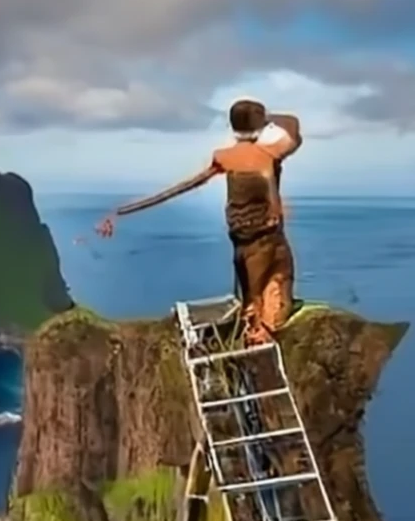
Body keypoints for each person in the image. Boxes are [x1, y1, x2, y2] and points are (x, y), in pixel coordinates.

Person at [96, 99, 302, 344]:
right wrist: (270, 118)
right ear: (260, 124)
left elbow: (181, 187)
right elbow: (294, 130)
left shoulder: (224, 157)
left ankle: (253, 329)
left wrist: (122, 210)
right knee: (279, 283)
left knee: (251, 296)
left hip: (240, 239)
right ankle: (263, 334)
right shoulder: (269, 153)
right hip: (267, 237)